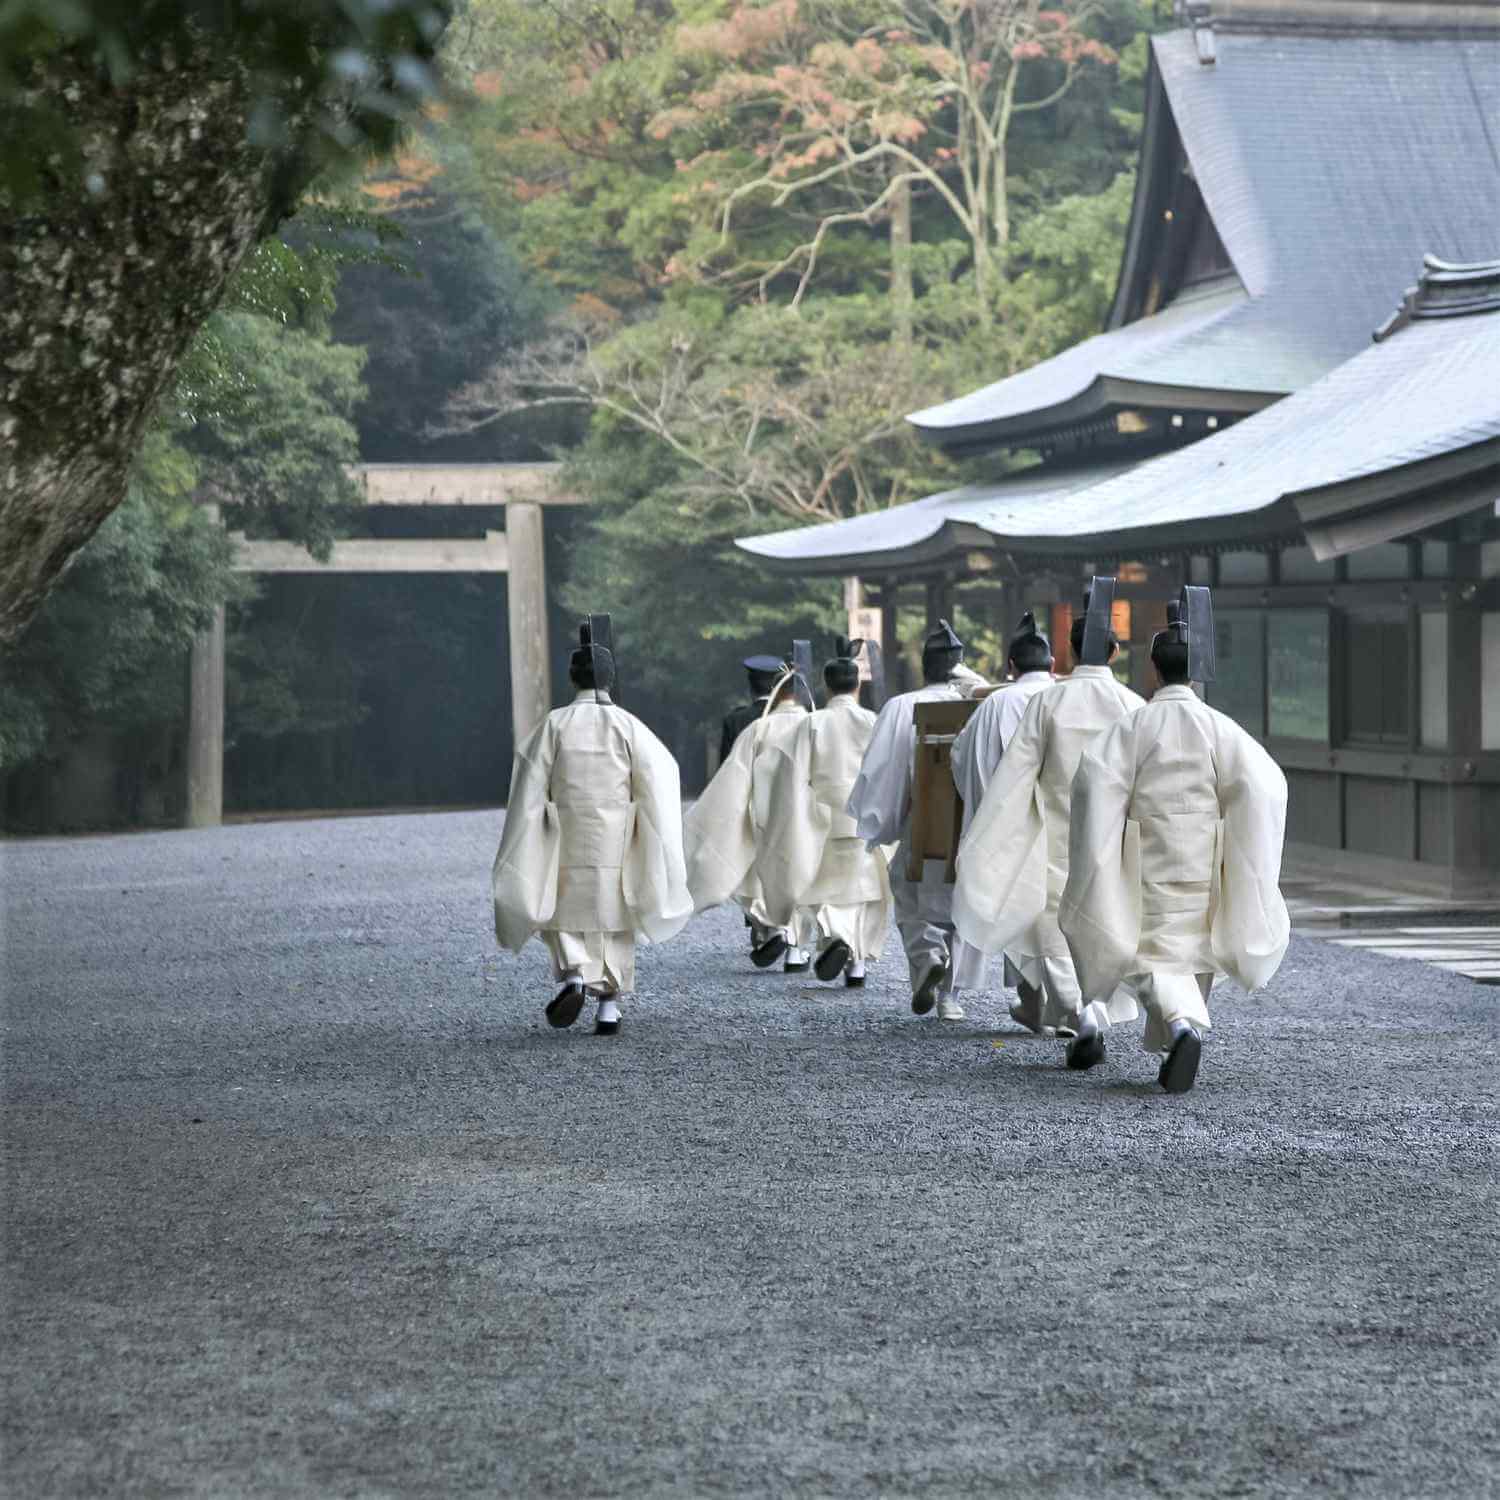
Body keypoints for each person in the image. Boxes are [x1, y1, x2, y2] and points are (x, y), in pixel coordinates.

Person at [1059, 591, 1290, 1093]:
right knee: (1192, 952)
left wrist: (1106, 839)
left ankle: (1184, 1028)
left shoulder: (1135, 725)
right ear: (1196, 670)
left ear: (1154, 670)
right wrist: (1236, 833)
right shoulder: (1220, 728)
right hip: (1205, 852)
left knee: (1149, 954)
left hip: (1148, 853)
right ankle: (1174, 1046)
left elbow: (1094, 784)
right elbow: (1263, 786)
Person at [953, 585, 1145, 1042]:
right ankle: (1094, 1009)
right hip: (1116, 835)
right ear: (1116, 652)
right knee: (1111, 918)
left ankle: (1081, 1013)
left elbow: (1015, 774)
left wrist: (994, 833)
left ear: (1070, 652)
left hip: (1056, 831)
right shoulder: (1134, 706)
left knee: (1050, 925)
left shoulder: (1047, 703)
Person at [491, 618, 692, 1037]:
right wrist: (646, 823)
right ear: (611, 677)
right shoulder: (629, 726)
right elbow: (660, 774)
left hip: (565, 831)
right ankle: (609, 1008)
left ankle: (576, 976)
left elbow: (529, 781)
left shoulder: (554, 725)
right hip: (615, 835)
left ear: (571, 677)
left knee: (565, 910)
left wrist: (530, 827)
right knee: (614, 917)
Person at [846, 619, 987, 1020]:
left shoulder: (901, 706)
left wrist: (882, 823)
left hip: (922, 823)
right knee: (965, 906)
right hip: (972, 827)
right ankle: (950, 997)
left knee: (912, 895)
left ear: (924, 667)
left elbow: (881, 772)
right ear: (960, 667)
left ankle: (928, 960)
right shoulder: (982, 706)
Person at [756, 638, 892, 988]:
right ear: (858, 684)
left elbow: (792, 775)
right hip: (867, 815)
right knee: (862, 892)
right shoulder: (874, 720)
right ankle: (857, 965)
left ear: (826, 686)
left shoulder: (812, 724)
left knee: (825, 890)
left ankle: (837, 939)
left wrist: (788, 819)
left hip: (824, 816)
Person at [685, 659, 816, 972]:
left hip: (760, 808)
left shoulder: (750, 724)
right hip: (803, 810)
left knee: (759, 872)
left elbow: (730, 773)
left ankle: (772, 928)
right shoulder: (813, 723)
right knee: (799, 868)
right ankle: (796, 947)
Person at [951, 611, 1055, 819]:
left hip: (1002, 833)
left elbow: (960, 759)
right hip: (1062, 837)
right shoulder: (1070, 699)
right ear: (1051, 664)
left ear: (1011, 666)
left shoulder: (994, 704)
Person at [720, 655, 787, 765]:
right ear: (777, 686)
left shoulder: (733, 721)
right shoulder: (790, 718)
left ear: (751, 687)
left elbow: (725, 767)